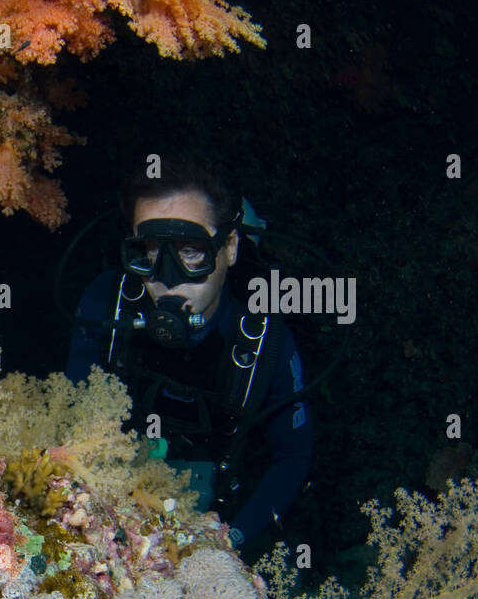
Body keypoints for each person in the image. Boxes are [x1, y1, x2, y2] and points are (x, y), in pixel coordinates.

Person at [65, 163, 311, 549]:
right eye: (148, 251)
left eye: (190, 251)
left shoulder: (265, 342)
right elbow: (72, 418)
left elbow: (293, 457)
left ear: (229, 249)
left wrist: (228, 542)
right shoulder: (106, 305)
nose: (167, 277)